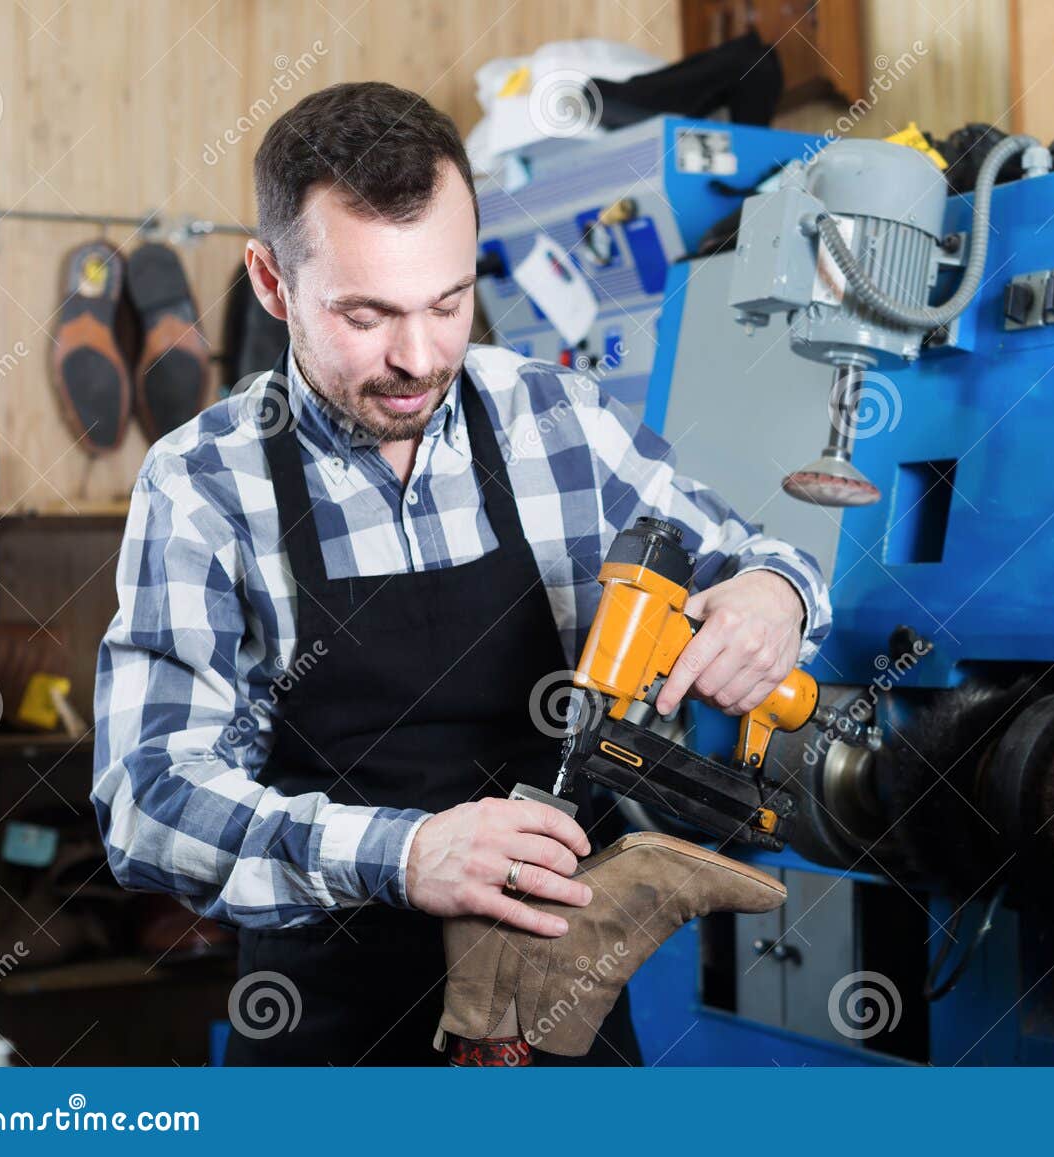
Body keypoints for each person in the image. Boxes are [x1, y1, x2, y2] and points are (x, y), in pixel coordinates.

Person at [92, 81, 830, 1066]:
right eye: (366, 314)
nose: (419, 354)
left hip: (555, 1020)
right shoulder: (203, 483)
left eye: (448, 301)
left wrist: (772, 596)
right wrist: (401, 853)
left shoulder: (550, 417)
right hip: (331, 1025)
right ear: (271, 284)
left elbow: (758, 552)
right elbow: (148, 801)